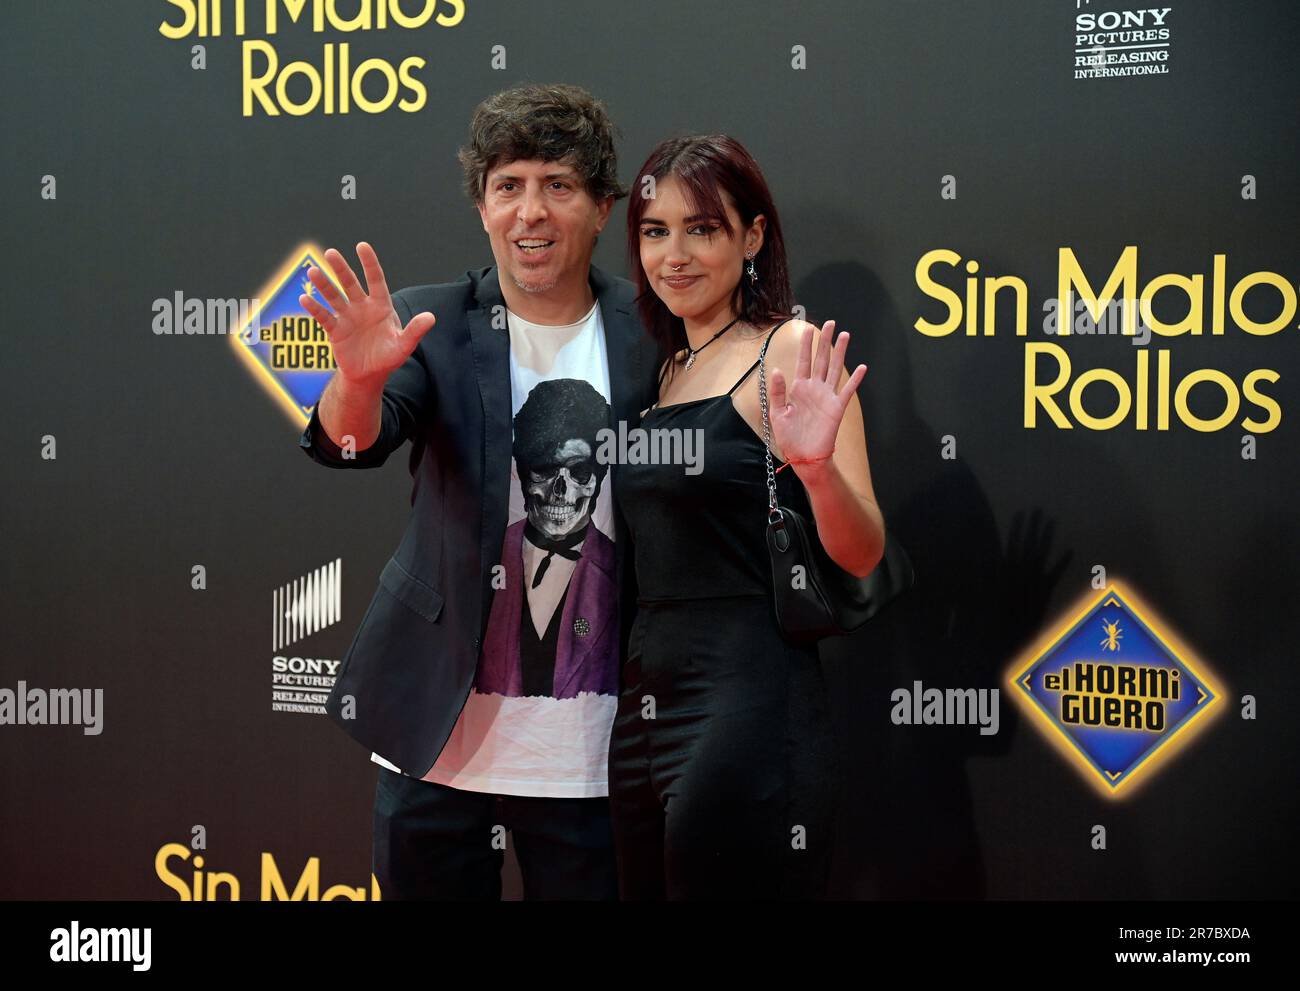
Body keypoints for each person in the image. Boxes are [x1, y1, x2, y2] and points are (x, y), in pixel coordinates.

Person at [297, 83, 659, 900]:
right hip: (436, 745)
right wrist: (355, 380)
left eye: (558, 186)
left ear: (602, 207)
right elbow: (349, 442)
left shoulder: (652, 331)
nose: (530, 211)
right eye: (509, 186)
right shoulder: (433, 324)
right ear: (483, 206)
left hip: (594, 759)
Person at [609, 134, 887, 899]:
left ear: (752, 235)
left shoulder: (788, 349)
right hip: (641, 705)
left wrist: (818, 471)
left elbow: (862, 554)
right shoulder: (661, 368)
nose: (675, 254)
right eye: (654, 230)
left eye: (702, 228)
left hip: (747, 697)